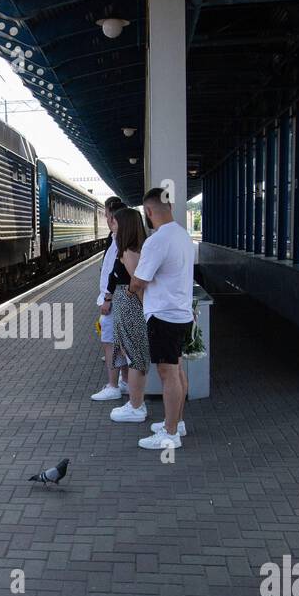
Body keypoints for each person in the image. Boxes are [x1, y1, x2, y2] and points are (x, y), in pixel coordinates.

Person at [128, 188, 195, 450]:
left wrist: (132, 285)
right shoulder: (182, 235)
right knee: (176, 370)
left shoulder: (157, 240)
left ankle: (170, 435)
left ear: (148, 211)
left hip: (163, 315)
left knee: (168, 374)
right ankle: (177, 423)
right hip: (180, 313)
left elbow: (140, 280)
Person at [107, 208, 150, 419]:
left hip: (131, 306)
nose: (111, 226)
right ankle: (136, 404)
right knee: (133, 354)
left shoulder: (128, 252)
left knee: (135, 356)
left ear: (125, 226)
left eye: (114, 223)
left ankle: (136, 407)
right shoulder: (133, 249)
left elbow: (137, 283)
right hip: (128, 305)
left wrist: (147, 312)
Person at [90, 197, 128, 401]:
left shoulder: (120, 241)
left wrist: (107, 298)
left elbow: (116, 273)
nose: (105, 219)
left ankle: (113, 386)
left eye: (106, 215)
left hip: (112, 300)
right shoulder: (113, 238)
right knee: (116, 342)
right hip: (110, 298)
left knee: (110, 342)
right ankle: (122, 382)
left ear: (114, 216)